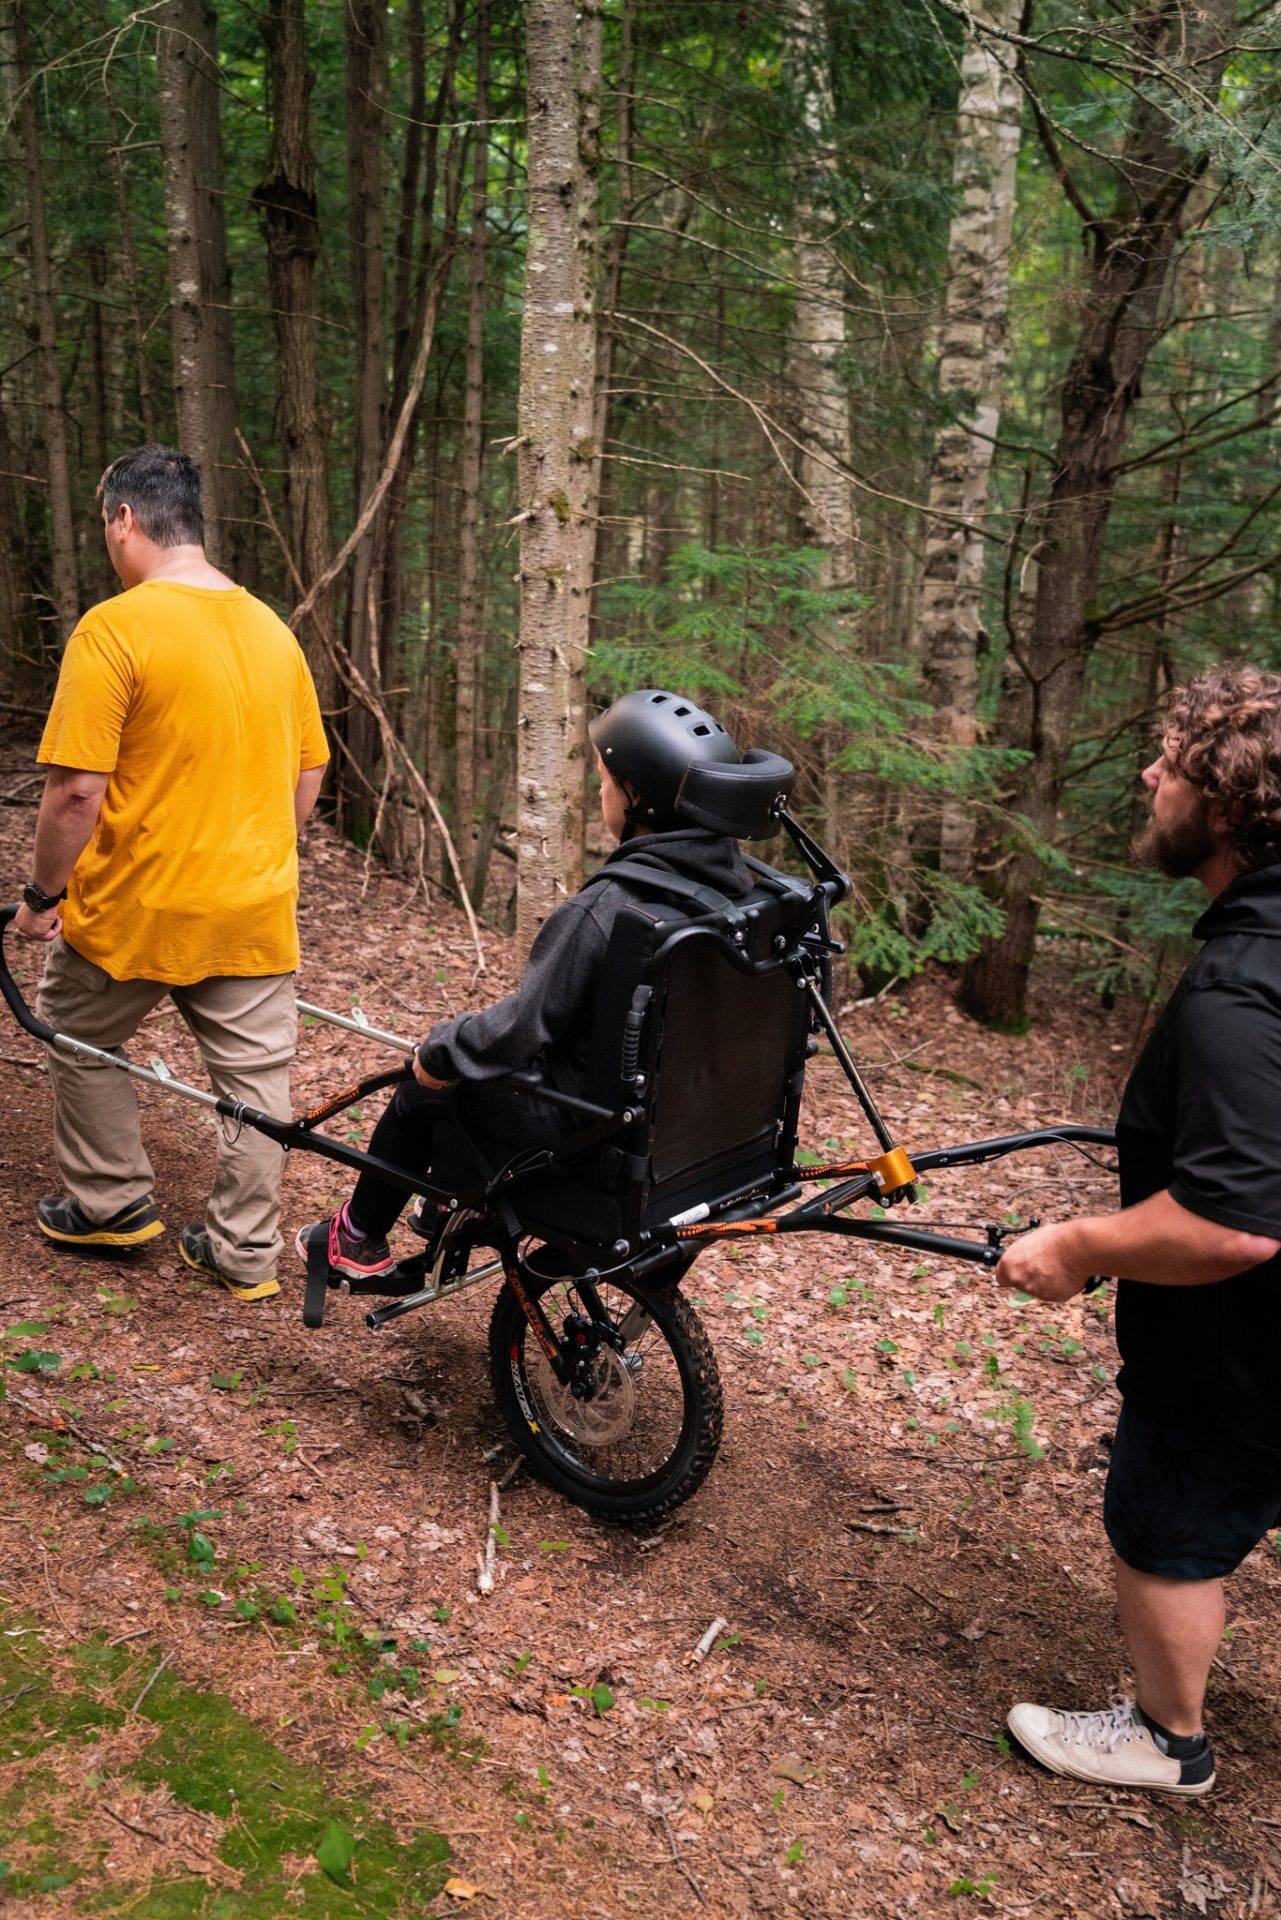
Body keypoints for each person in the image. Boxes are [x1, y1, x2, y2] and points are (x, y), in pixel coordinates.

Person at [996, 664, 1281, 1796]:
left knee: (1166, 1524)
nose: (1149, 775)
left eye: (1170, 762)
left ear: (1221, 809)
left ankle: (1169, 1740)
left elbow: (1231, 1222)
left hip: (1242, 1355)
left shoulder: (1240, 989)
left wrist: (1076, 1246)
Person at [297, 689, 758, 1281]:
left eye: (605, 781)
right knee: (476, 1058)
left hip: (594, 1142)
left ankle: (355, 1241)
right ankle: (442, 1207)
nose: (600, 793)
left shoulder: (609, 909)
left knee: (426, 1085)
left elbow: (520, 1031)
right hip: (694, 1131)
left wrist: (441, 1047)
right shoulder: (746, 896)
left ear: (637, 796)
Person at [14, 444, 329, 1303]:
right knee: (256, 1089)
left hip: (137, 908)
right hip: (254, 908)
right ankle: (243, 1253)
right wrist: (263, 848)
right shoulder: (271, 628)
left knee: (76, 1033)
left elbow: (76, 791)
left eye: (103, 522)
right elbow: (309, 769)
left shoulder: (116, 627)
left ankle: (111, 1203)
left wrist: (42, 897)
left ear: (125, 518)